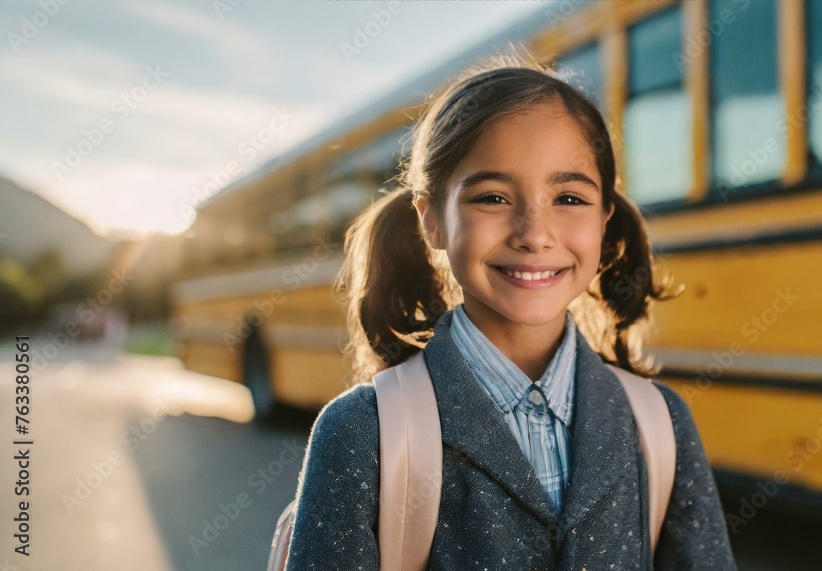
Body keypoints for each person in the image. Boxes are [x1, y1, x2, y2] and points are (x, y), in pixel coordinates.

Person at [285, 55, 736, 570]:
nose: (534, 234)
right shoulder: (362, 431)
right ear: (430, 219)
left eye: (568, 197)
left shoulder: (660, 422)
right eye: (493, 197)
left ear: (605, 221)